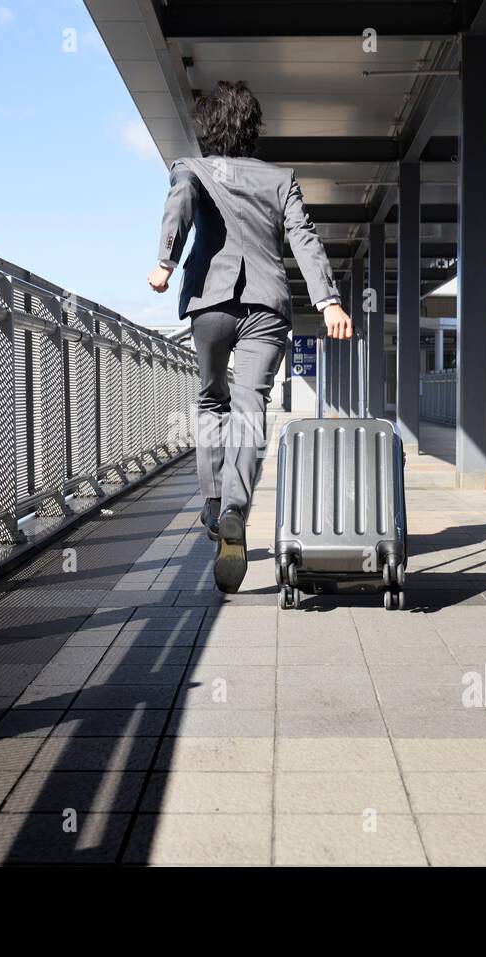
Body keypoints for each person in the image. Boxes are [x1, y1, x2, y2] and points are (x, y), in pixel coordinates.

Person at [148, 80, 353, 593]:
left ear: (208, 128)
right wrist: (328, 301)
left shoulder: (190, 169)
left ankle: (215, 506)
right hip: (266, 304)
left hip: (211, 304)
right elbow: (304, 238)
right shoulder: (280, 179)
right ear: (252, 130)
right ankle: (237, 505)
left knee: (211, 401)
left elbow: (180, 207)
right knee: (250, 404)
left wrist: (164, 262)